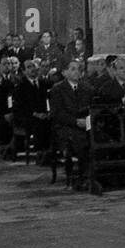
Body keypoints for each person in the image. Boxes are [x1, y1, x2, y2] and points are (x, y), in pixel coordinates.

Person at [48, 59, 93, 187]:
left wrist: (87, 121)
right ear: (64, 72)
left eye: (79, 69)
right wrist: (75, 121)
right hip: (65, 127)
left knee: (99, 137)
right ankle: (84, 177)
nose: (77, 72)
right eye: (72, 69)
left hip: (85, 125)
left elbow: (91, 108)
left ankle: (98, 174)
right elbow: (57, 113)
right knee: (80, 140)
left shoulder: (87, 88)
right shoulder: (57, 90)